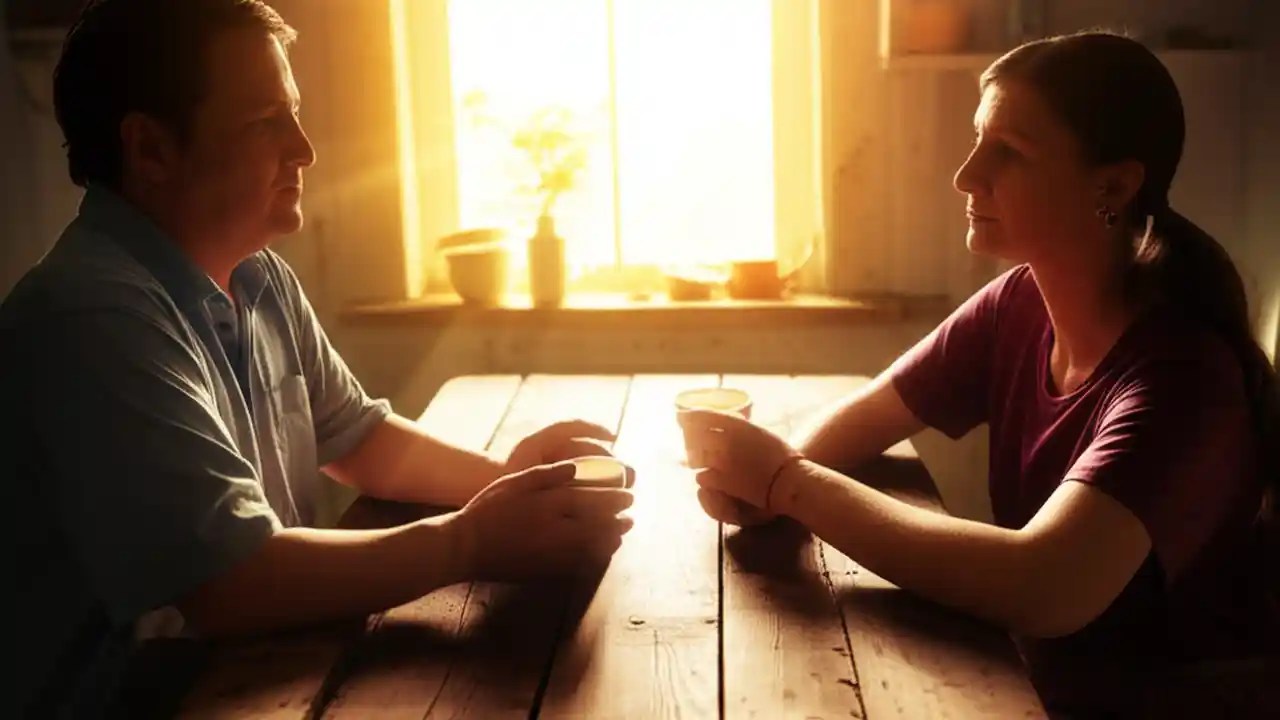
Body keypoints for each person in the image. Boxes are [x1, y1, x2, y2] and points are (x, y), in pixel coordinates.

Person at [1, 1, 634, 716]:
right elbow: (230, 584)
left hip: (255, 675)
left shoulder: (255, 274)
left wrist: (510, 484)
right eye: (266, 122)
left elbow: (360, 440)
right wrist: (470, 542)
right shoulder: (90, 317)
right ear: (150, 150)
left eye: (294, 115)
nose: (303, 148)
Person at [683, 31, 1279, 716]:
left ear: (1111, 185)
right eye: (977, 139)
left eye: (1009, 153)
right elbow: (870, 415)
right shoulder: (1018, 304)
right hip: (1044, 686)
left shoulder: (1183, 381)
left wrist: (788, 482)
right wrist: (762, 484)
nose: (967, 175)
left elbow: (1044, 586)